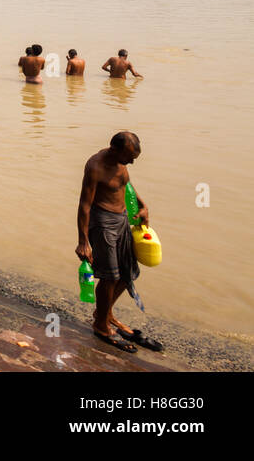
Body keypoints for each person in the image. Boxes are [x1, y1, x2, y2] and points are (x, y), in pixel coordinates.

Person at [76, 130, 162, 353]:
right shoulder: (95, 166)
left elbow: (127, 188)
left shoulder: (121, 164)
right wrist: (83, 241)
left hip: (122, 219)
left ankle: (105, 314)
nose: (131, 162)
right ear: (114, 150)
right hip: (103, 222)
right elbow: (85, 204)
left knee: (127, 272)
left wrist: (143, 206)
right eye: (129, 157)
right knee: (109, 277)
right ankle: (101, 326)